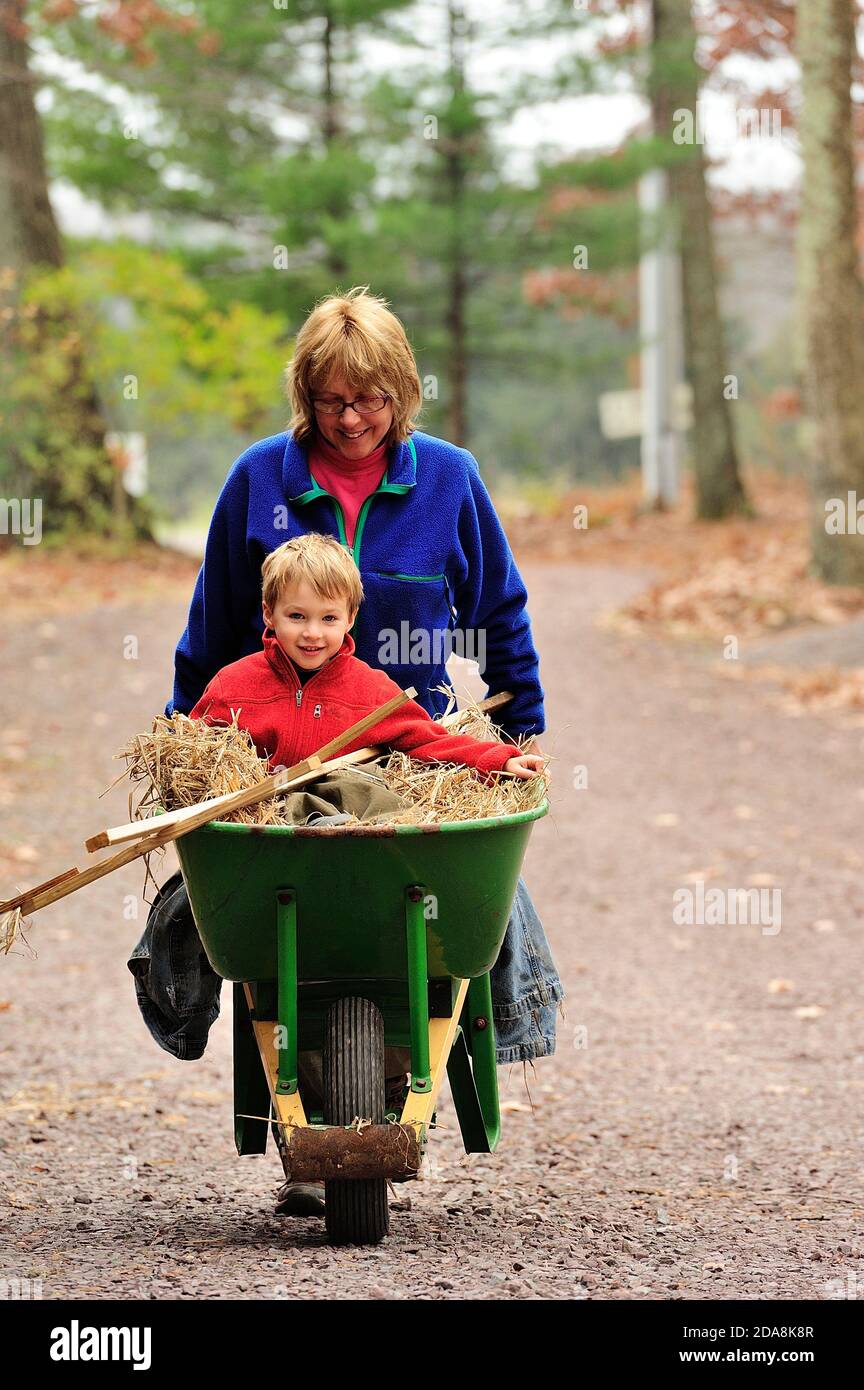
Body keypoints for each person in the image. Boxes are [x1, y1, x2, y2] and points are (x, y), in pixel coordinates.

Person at [131, 286, 563, 1196]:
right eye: (331, 400)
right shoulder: (260, 478)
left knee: (464, 908)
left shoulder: (448, 478)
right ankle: (294, 1095)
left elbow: (500, 609)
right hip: (271, 759)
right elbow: (212, 622)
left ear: (402, 392)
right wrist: (187, 752)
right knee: (216, 911)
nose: (352, 418)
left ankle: (423, 1069)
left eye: (370, 399)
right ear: (306, 395)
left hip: (407, 746)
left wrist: (517, 731)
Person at [189, 532, 548, 783]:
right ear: (269, 614)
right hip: (257, 842)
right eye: (296, 616)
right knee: (179, 895)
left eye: (328, 618)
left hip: (347, 844)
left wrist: (501, 759)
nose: (312, 633)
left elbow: (430, 740)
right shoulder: (234, 686)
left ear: (351, 619)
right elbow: (191, 748)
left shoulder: (372, 692)